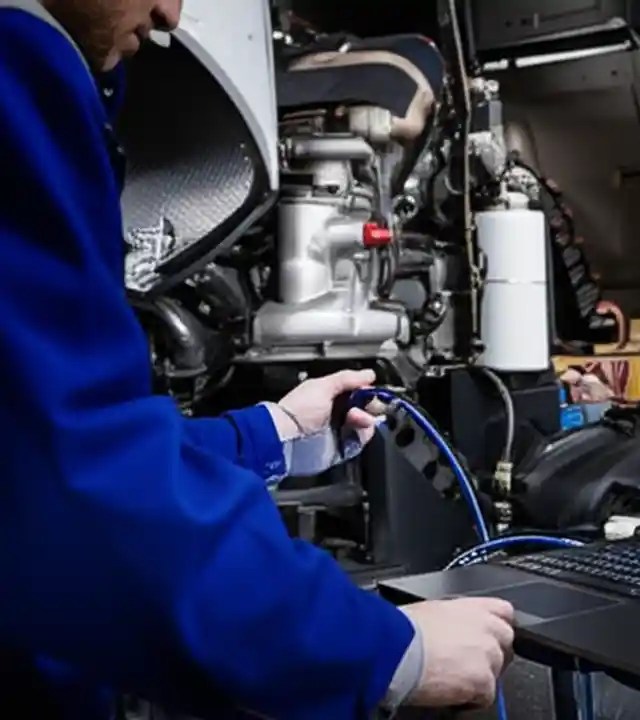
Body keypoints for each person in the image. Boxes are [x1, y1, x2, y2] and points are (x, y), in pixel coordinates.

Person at [0, 1, 516, 716]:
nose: (169, 13)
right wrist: (385, 653)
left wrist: (273, 433)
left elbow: (35, 439)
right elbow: (72, 480)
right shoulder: (15, 61)